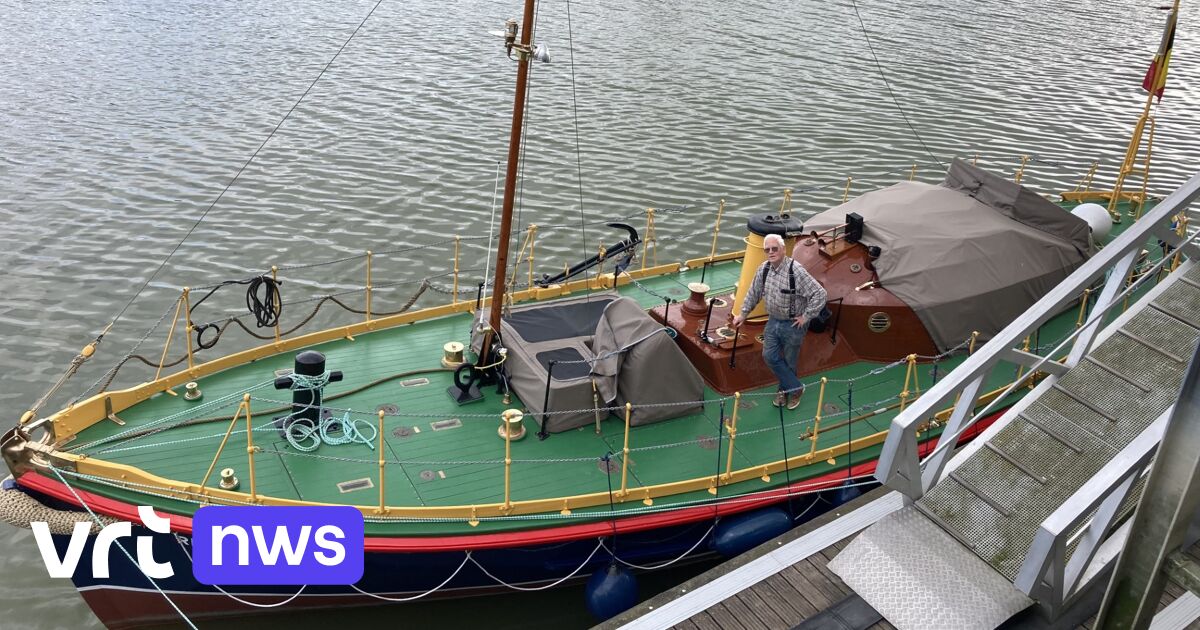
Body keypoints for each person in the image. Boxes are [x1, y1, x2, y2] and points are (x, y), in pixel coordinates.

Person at [731, 233, 827, 410]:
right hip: (773, 320)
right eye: (767, 249)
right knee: (769, 356)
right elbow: (754, 293)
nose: (771, 252)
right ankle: (797, 388)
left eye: (775, 248)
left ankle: (785, 391)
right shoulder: (764, 269)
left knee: (790, 360)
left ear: (783, 249)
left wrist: (806, 316)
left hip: (793, 324)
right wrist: (743, 314)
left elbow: (819, 294)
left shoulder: (795, 271)